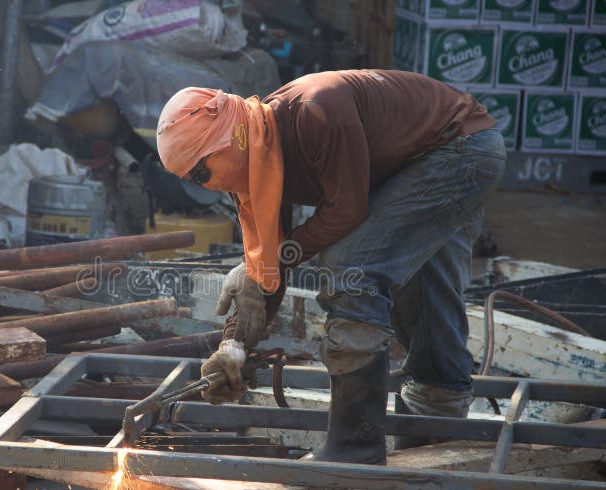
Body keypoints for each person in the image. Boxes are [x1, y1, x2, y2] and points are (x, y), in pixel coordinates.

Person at [155, 69, 506, 465]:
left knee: (350, 270)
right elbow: (270, 263)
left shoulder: (314, 111)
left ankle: (355, 445)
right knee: (424, 288)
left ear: (230, 138)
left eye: (201, 172)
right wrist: (233, 346)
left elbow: (347, 211)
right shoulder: (257, 153)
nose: (204, 186)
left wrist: (279, 256)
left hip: (460, 150)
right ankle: (436, 418)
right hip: (421, 162)